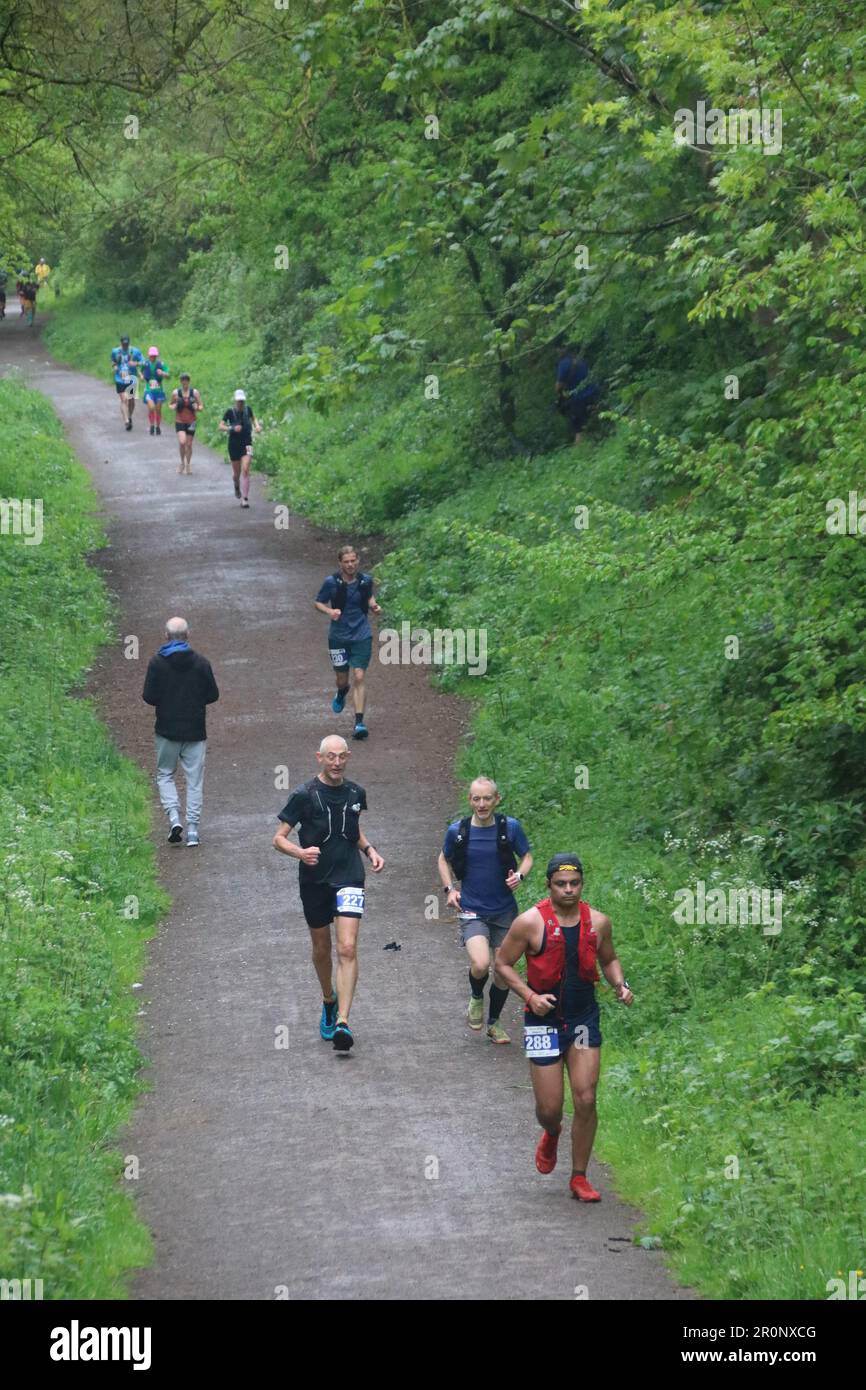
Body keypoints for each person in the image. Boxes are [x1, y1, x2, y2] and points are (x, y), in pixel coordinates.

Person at [496, 854, 633, 1202]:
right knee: (550, 1110)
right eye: (561, 884)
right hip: (543, 1021)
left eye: (574, 884)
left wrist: (620, 984)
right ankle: (552, 1133)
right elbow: (502, 964)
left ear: (582, 885)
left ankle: (580, 1177)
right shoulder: (529, 923)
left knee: (586, 1097)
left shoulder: (598, 923)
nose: (568, 890)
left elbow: (609, 959)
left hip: (583, 1019)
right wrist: (529, 995)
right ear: (549, 885)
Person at [273, 735, 384, 1052]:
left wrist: (370, 850)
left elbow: (353, 828)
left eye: (341, 757)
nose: (336, 763)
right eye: (330, 757)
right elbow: (278, 838)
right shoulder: (303, 796)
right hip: (315, 880)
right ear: (319, 758)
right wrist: (299, 852)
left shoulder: (356, 793)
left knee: (347, 948)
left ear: (348, 757)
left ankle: (343, 1023)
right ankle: (328, 999)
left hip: (349, 876)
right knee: (322, 948)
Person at [438, 777, 532, 1043]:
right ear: (470, 800)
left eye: (487, 798)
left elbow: (527, 856)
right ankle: (477, 997)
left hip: (504, 911)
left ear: (496, 799)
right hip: (472, 909)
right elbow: (443, 858)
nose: (481, 804)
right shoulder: (458, 831)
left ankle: (495, 1023)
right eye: (476, 799)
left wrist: (521, 876)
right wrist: (449, 890)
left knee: (503, 971)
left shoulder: (510, 828)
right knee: (481, 964)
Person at [142, 616, 219, 847]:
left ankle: (174, 817)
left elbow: (149, 697)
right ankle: (193, 830)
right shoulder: (202, 663)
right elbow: (213, 695)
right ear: (188, 636)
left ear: (166, 636)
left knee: (165, 774)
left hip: (166, 730)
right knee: (194, 780)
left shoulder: (156, 663)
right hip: (195, 731)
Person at [314, 545, 381, 741]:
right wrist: (329, 612)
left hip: (361, 635)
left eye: (353, 561)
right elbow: (318, 602)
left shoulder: (365, 580)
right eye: (346, 562)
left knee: (359, 675)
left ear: (358, 560)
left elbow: (368, 595)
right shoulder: (331, 582)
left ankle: (359, 722)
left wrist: (374, 606)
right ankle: (342, 692)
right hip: (338, 638)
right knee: (342, 679)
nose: (350, 565)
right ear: (340, 563)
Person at [218, 389, 262, 508]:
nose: (240, 403)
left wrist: (257, 426)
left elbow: (254, 419)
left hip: (248, 443)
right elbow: (220, 426)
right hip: (234, 445)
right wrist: (231, 428)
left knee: (246, 468)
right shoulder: (230, 412)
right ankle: (236, 484)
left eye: (242, 401)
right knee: (236, 473)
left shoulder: (248, 410)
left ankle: (245, 499)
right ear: (235, 401)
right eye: (238, 401)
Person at [555, 346, 598, 444]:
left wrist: (561, 394)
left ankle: (579, 454)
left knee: (579, 430)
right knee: (592, 421)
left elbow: (558, 386)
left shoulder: (563, 364)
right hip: (593, 394)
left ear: (561, 349)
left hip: (578, 399)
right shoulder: (580, 360)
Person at [168, 373, 203, 473]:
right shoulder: (176, 393)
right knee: (182, 442)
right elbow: (170, 404)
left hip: (191, 422)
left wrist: (198, 408)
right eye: (183, 382)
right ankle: (182, 463)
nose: (185, 384)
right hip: (180, 421)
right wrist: (173, 406)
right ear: (181, 382)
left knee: (189, 444)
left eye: (186, 382)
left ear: (189, 382)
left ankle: (188, 464)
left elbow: (201, 406)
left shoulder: (194, 393)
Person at [111, 335, 145, 430]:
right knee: (124, 400)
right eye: (123, 344)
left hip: (131, 378)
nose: (125, 346)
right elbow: (113, 362)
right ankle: (126, 421)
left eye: (126, 344)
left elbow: (144, 362)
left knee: (131, 400)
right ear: (121, 343)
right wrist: (114, 367)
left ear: (129, 343)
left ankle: (129, 417)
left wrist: (136, 363)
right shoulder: (115, 351)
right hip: (120, 379)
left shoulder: (135, 351)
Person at [141, 347, 169, 435]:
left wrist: (163, 373)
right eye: (151, 355)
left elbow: (168, 375)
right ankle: (152, 425)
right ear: (149, 355)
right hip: (149, 390)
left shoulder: (161, 364)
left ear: (156, 355)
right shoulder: (145, 364)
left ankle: (157, 427)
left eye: (154, 355)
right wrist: (141, 376)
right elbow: (141, 372)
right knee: (152, 407)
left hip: (159, 391)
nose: (153, 357)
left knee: (158, 409)